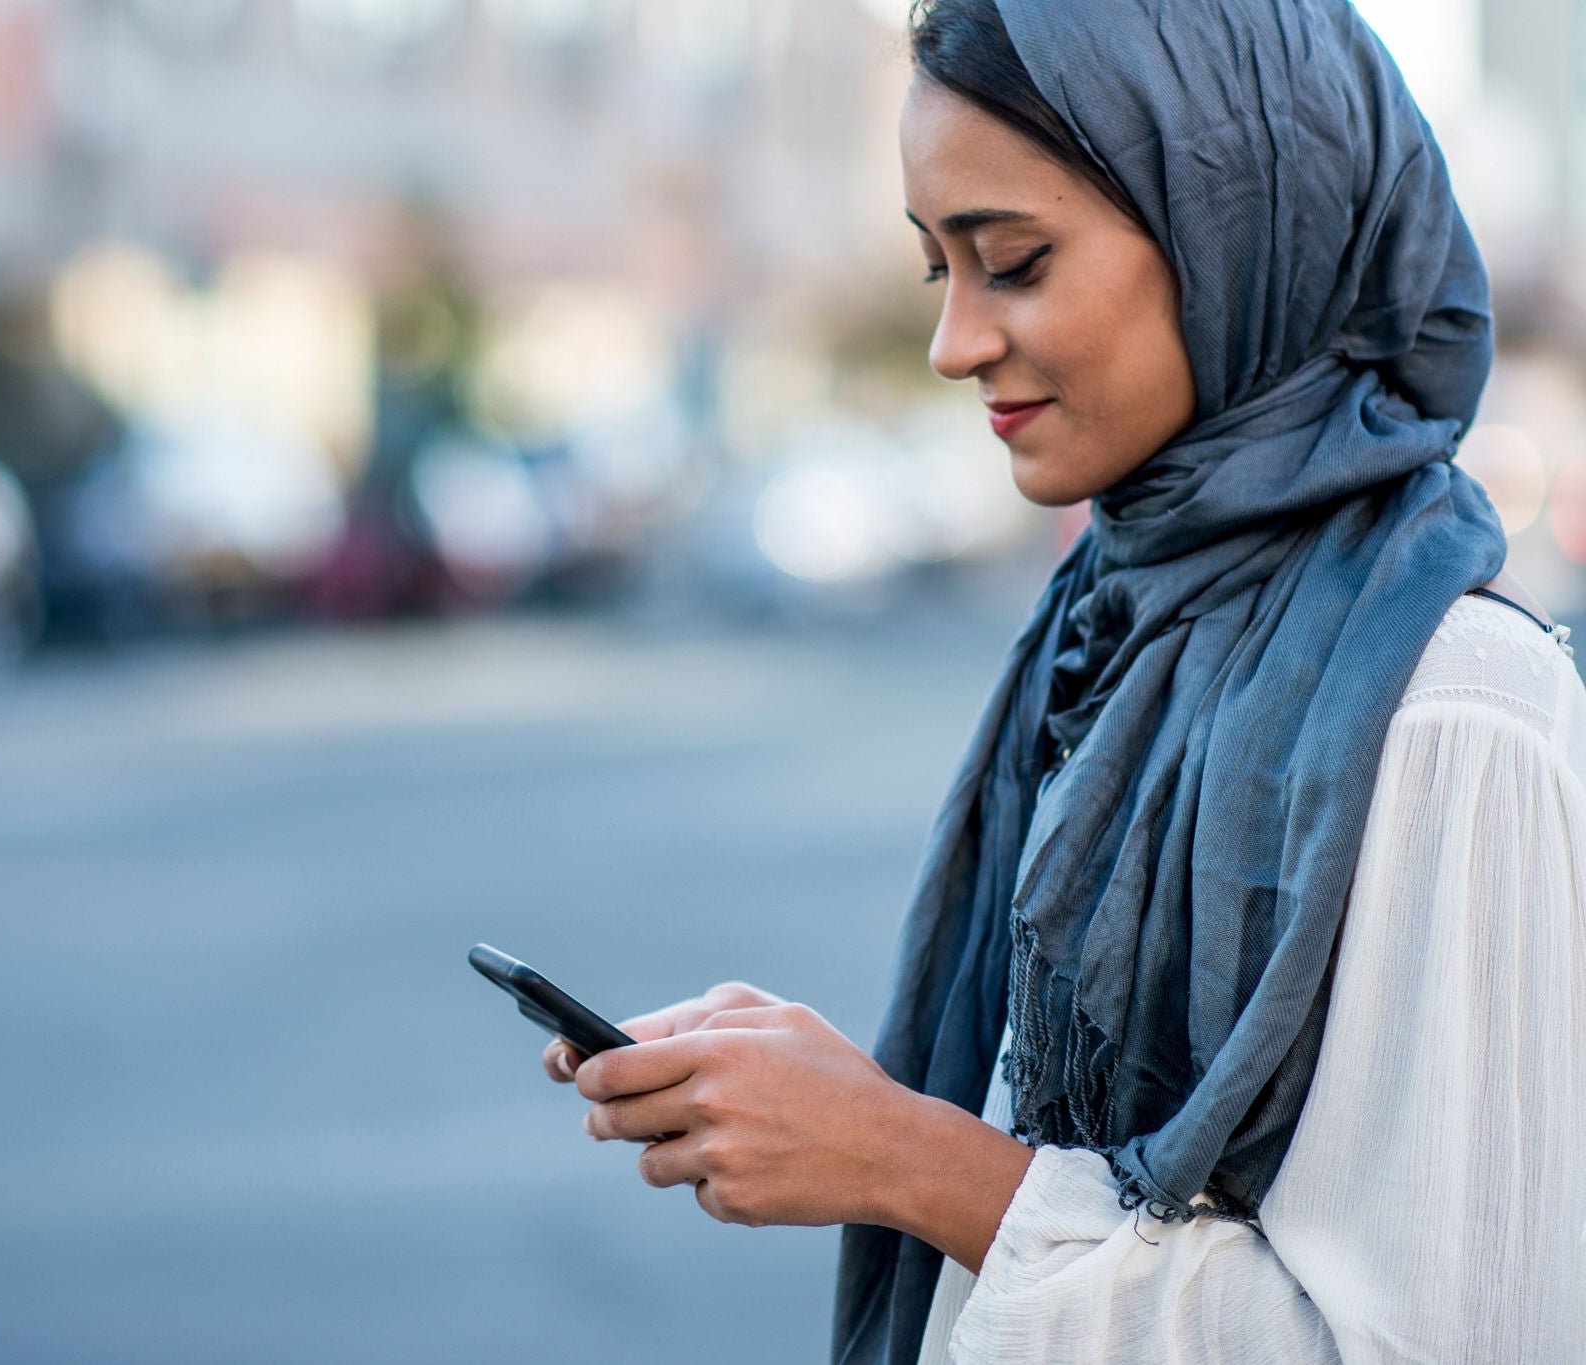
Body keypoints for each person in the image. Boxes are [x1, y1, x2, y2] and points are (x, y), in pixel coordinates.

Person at [539, 0, 1586, 1360]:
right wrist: (843, 1107)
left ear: (1238, 233)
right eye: (939, 273)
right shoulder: (1111, 638)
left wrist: (913, 1161)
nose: (956, 343)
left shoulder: (1454, 704)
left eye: (1014, 262)